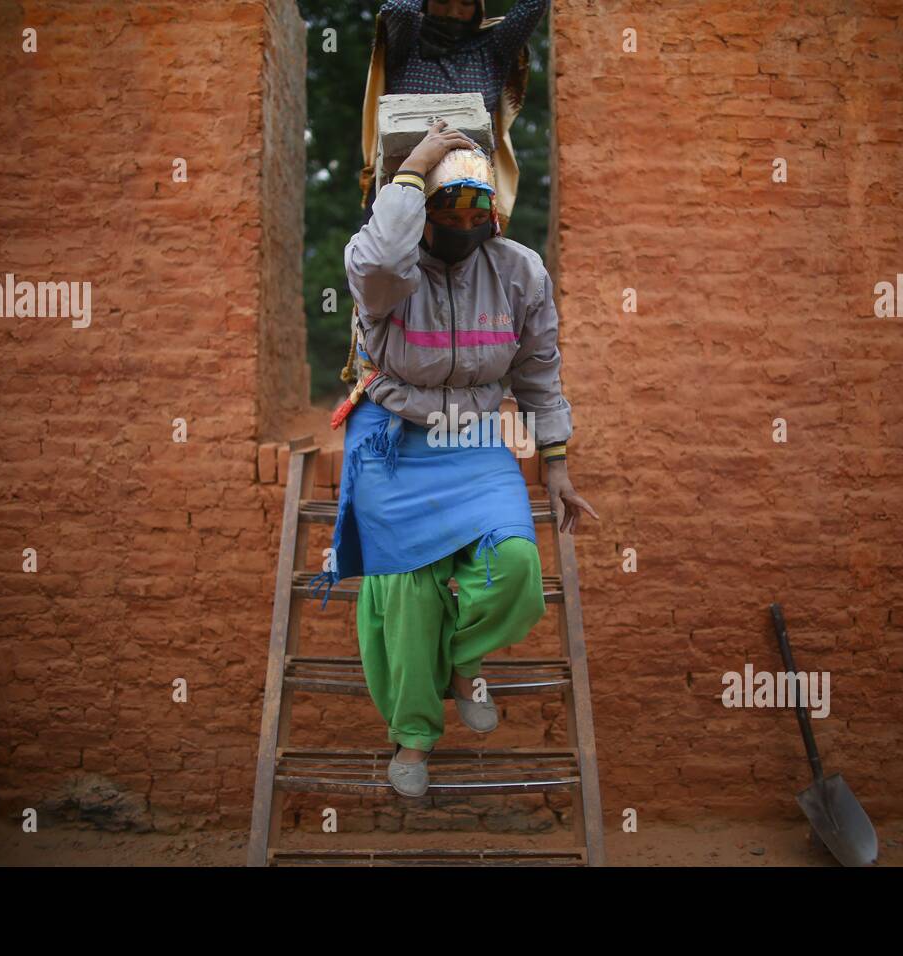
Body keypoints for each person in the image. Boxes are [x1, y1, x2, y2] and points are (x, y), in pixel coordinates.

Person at [311, 119, 597, 797]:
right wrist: (416, 167)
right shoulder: (383, 270)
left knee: (516, 566)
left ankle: (463, 657)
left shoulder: (519, 270)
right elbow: (381, 258)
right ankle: (413, 735)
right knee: (407, 589)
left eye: (479, 206)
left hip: (472, 437)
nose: (467, 220)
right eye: (449, 206)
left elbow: (539, 370)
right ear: (423, 211)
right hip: (392, 435)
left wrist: (556, 463)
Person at [359, 0, 550, 231]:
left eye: (465, 3)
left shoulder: (493, 49)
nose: (452, 12)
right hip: (404, 178)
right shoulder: (405, 44)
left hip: (469, 185)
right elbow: (401, 9)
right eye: (442, 1)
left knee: (471, 258)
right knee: (386, 256)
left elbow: (534, 5)